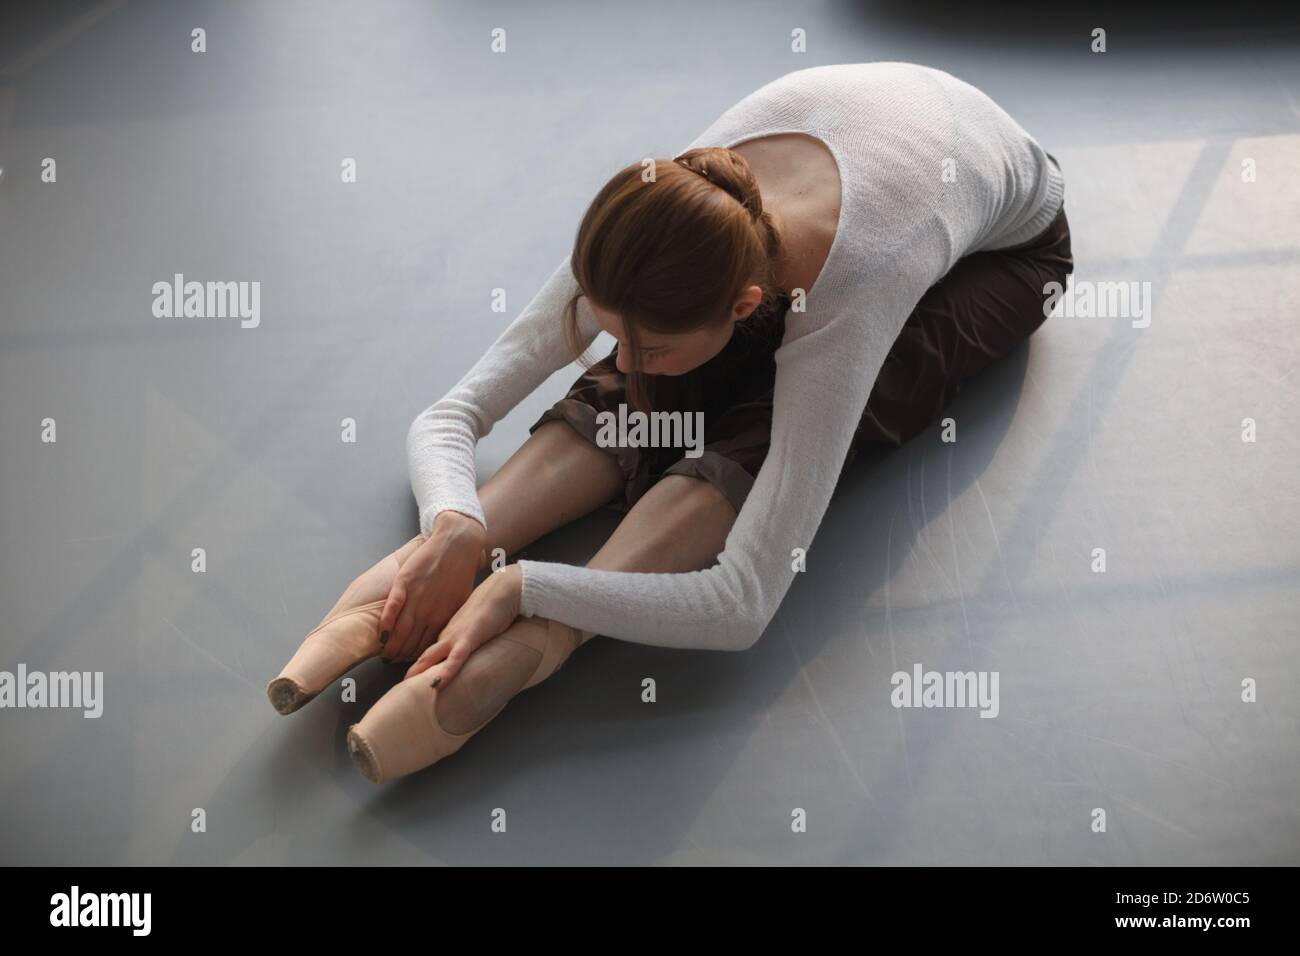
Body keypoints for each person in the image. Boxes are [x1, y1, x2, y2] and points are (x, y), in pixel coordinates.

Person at [267, 62, 1073, 783]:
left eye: (650, 343)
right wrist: (456, 526)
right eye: (612, 328)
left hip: (1003, 258)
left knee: (758, 430)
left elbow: (744, 601)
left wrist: (528, 588)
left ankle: (547, 644)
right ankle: (404, 589)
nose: (626, 354)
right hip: (857, 172)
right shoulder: (655, 221)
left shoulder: (858, 282)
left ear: (745, 305)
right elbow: (453, 413)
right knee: (636, 383)